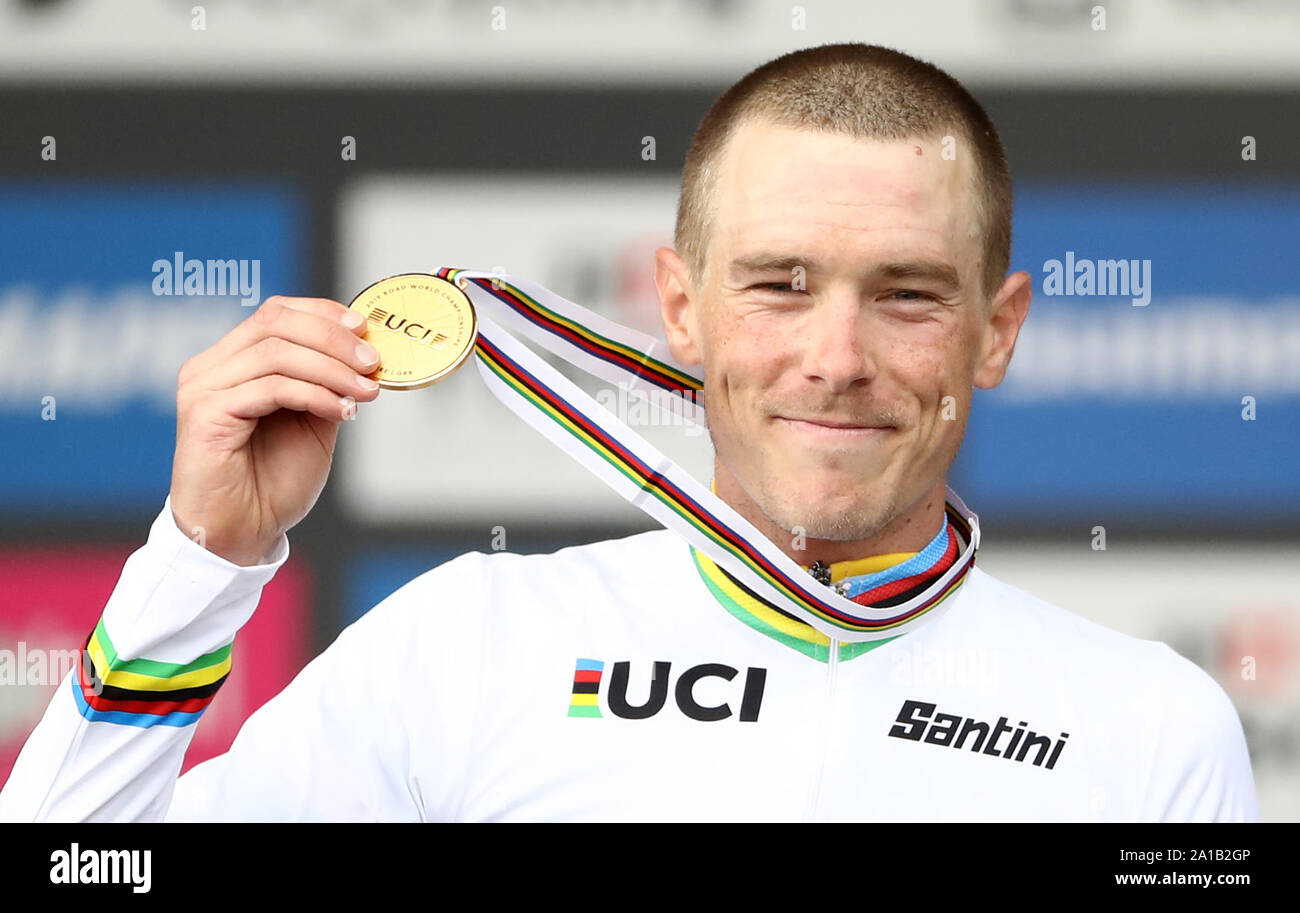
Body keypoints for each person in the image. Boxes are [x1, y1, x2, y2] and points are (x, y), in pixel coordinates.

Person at [0, 43, 1257, 822]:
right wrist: (203, 560)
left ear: (997, 328)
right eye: (777, 282)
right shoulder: (473, 644)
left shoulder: (1144, 725)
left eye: (907, 293)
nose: (834, 355)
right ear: (679, 309)